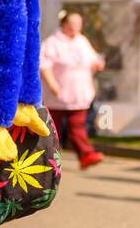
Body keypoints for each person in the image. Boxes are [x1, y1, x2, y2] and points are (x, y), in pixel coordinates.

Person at [40, 11, 106, 170]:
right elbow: (44, 65)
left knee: (77, 126)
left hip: (79, 94)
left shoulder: (82, 41)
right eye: (74, 24)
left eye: (79, 24)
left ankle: (86, 155)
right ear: (65, 24)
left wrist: (97, 64)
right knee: (51, 129)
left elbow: (93, 59)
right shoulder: (52, 42)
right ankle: (46, 158)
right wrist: (52, 84)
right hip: (58, 94)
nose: (77, 27)